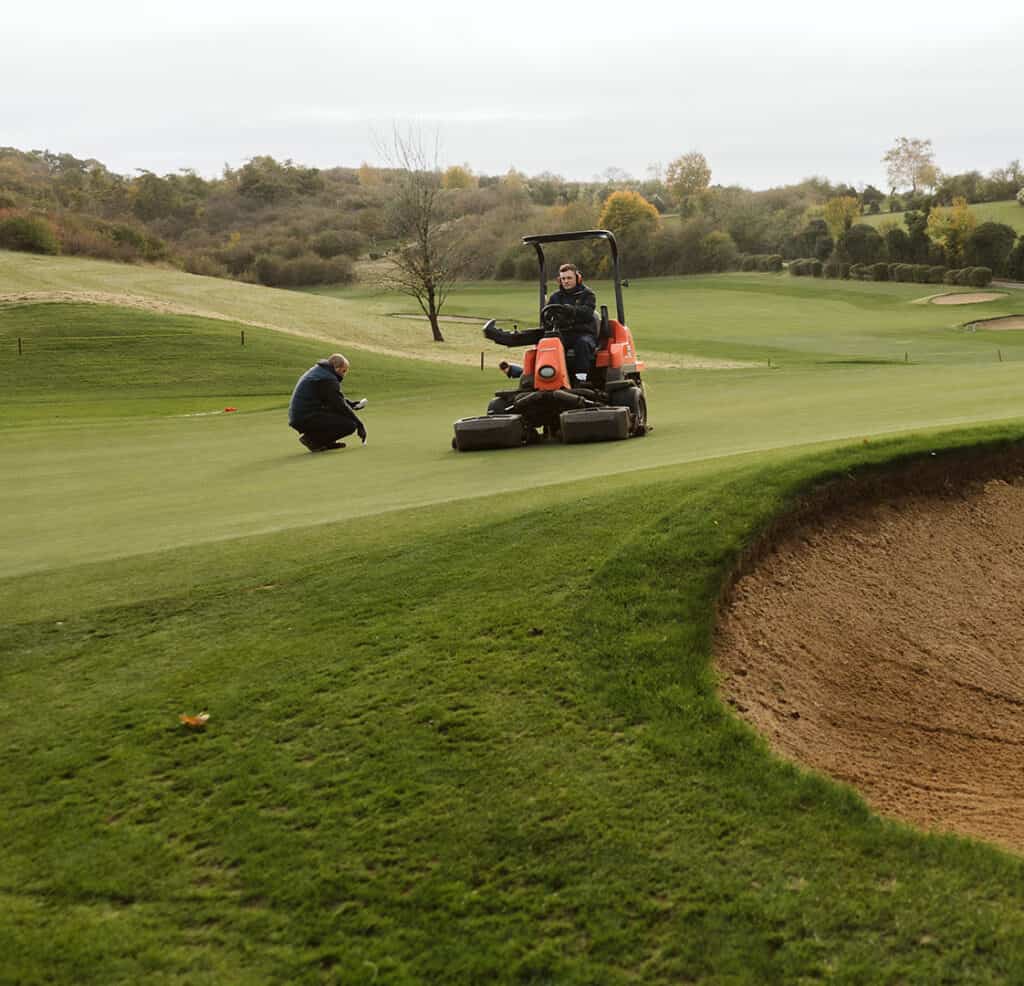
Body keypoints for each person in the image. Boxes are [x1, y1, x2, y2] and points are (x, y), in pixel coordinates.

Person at [483, 262, 599, 381]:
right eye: (563, 278)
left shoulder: (587, 294)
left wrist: (568, 309)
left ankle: (581, 378)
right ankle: (501, 336)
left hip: (583, 333)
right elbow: (548, 314)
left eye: (569, 278)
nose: (566, 281)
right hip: (562, 332)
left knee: (582, 344)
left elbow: (587, 313)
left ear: (578, 278)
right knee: (546, 342)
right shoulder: (556, 297)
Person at [287, 353, 367, 452]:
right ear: (337, 368)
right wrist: (359, 424)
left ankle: (324, 442)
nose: (344, 374)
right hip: (305, 417)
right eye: (344, 371)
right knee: (350, 425)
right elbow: (339, 405)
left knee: (340, 415)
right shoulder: (327, 379)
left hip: (302, 415)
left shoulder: (321, 371)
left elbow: (333, 398)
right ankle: (312, 440)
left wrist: (351, 404)